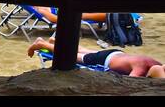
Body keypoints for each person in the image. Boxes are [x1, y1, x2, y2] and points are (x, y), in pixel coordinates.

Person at [26, 37, 165, 78]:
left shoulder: (152, 63)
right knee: (72, 55)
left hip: (116, 54)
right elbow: (130, 82)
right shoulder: (142, 68)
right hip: (105, 60)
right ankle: (41, 44)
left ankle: (54, 41)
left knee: (83, 51)